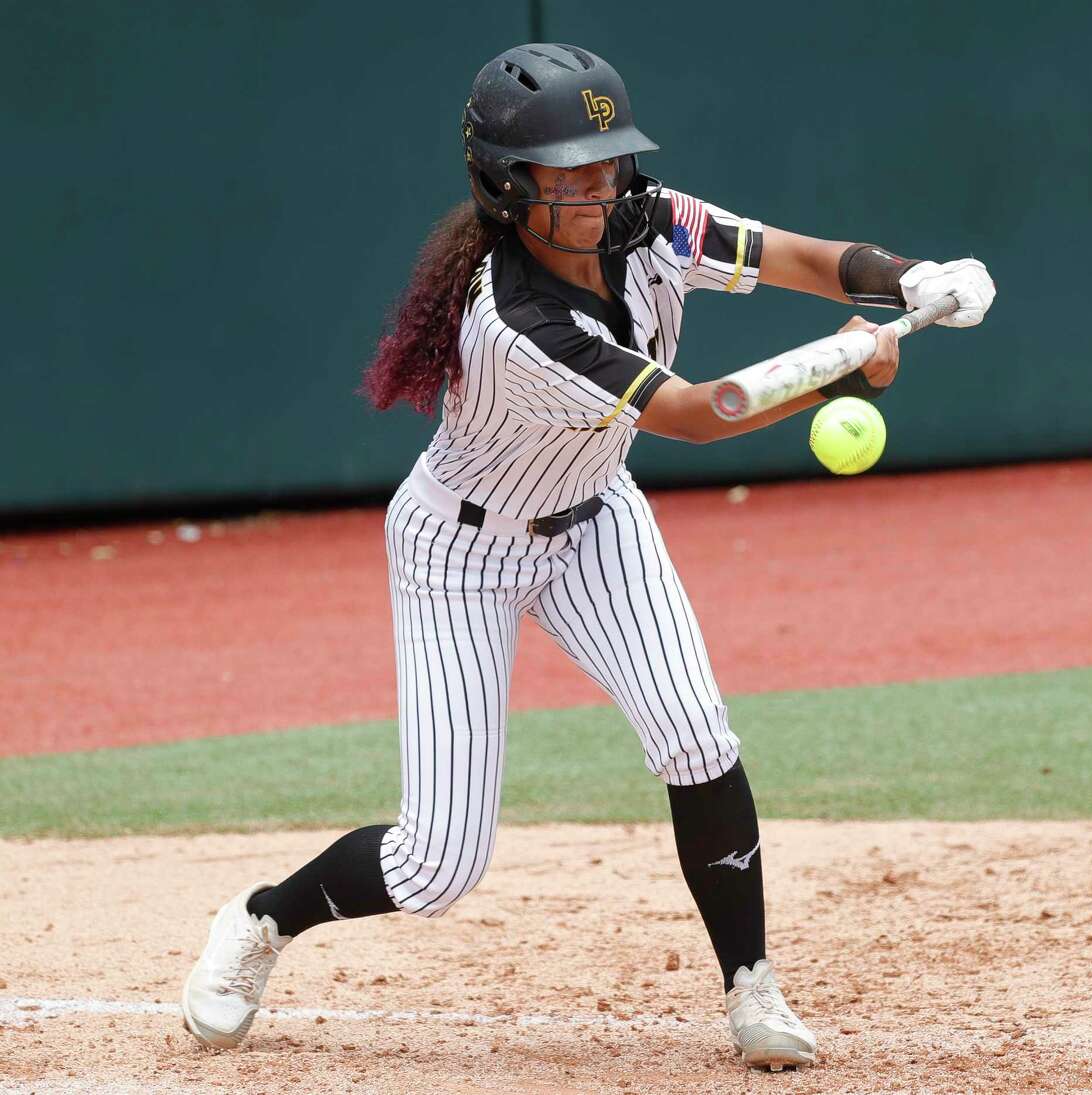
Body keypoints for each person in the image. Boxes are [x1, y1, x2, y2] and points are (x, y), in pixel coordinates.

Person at [181, 43, 995, 1072]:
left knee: (698, 737)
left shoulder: (651, 224)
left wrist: (904, 276)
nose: (596, 188)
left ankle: (752, 987)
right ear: (506, 187)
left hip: (595, 518)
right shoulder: (515, 321)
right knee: (437, 866)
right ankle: (262, 921)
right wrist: (846, 363)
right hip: (460, 551)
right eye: (568, 173)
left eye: (606, 162)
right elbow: (699, 417)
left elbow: (798, 257)